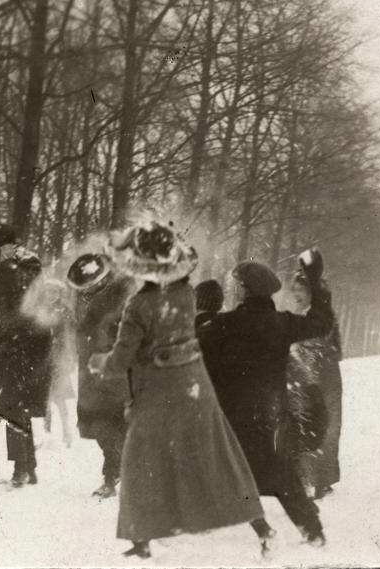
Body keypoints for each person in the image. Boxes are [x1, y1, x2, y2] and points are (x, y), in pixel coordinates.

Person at [89, 221, 266, 559]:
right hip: (195, 386)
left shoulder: (139, 305)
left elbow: (121, 359)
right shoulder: (186, 292)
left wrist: (99, 361)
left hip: (156, 393)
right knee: (220, 457)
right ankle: (261, 526)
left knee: (139, 461)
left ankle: (141, 539)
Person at [197, 251, 333, 546]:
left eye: (237, 285)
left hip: (232, 417)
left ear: (245, 289)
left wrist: (202, 314)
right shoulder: (281, 323)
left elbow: (197, 349)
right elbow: (322, 323)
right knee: (280, 474)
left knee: (234, 471)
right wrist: (315, 281)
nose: (234, 289)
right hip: (271, 415)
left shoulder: (224, 325)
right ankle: (312, 531)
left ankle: (263, 530)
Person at [0, 224, 52, 488]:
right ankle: (28, 467)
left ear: (2, 248)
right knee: (17, 405)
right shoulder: (22, 265)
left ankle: (20, 470)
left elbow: (12, 307)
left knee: (11, 406)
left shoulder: (13, 267)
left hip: (19, 347)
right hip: (23, 345)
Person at [67, 253, 135, 498]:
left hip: (115, 375)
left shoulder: (125, 297)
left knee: (117, 426)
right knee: (104, 427)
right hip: (97, 376)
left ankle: (116, 475)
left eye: (88, 287)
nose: (85, 293)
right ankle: (114, 473)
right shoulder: (102, 298)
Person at [288, 270, 342, 499]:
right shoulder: (318, 313)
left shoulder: (316, 316)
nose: (296, 295)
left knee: (317, 424)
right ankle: (321, 479)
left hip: (318, 377)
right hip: (323, 376)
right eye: (295, 290)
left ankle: (314, 481)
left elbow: (320, 349)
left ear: (312, 292)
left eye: (301, 290)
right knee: (324, 424)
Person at [40, 279, 76, 447]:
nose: (51, 295)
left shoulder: (66, 311)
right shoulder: (41, 310)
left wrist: (69, 358)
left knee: (60, 399)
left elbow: (70, 336)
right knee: (44, 399)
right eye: (48, 292)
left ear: (60, 294)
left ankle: (66, 432)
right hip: (43, 361)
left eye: (54, 292)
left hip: (59, 360)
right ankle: (46, 433)